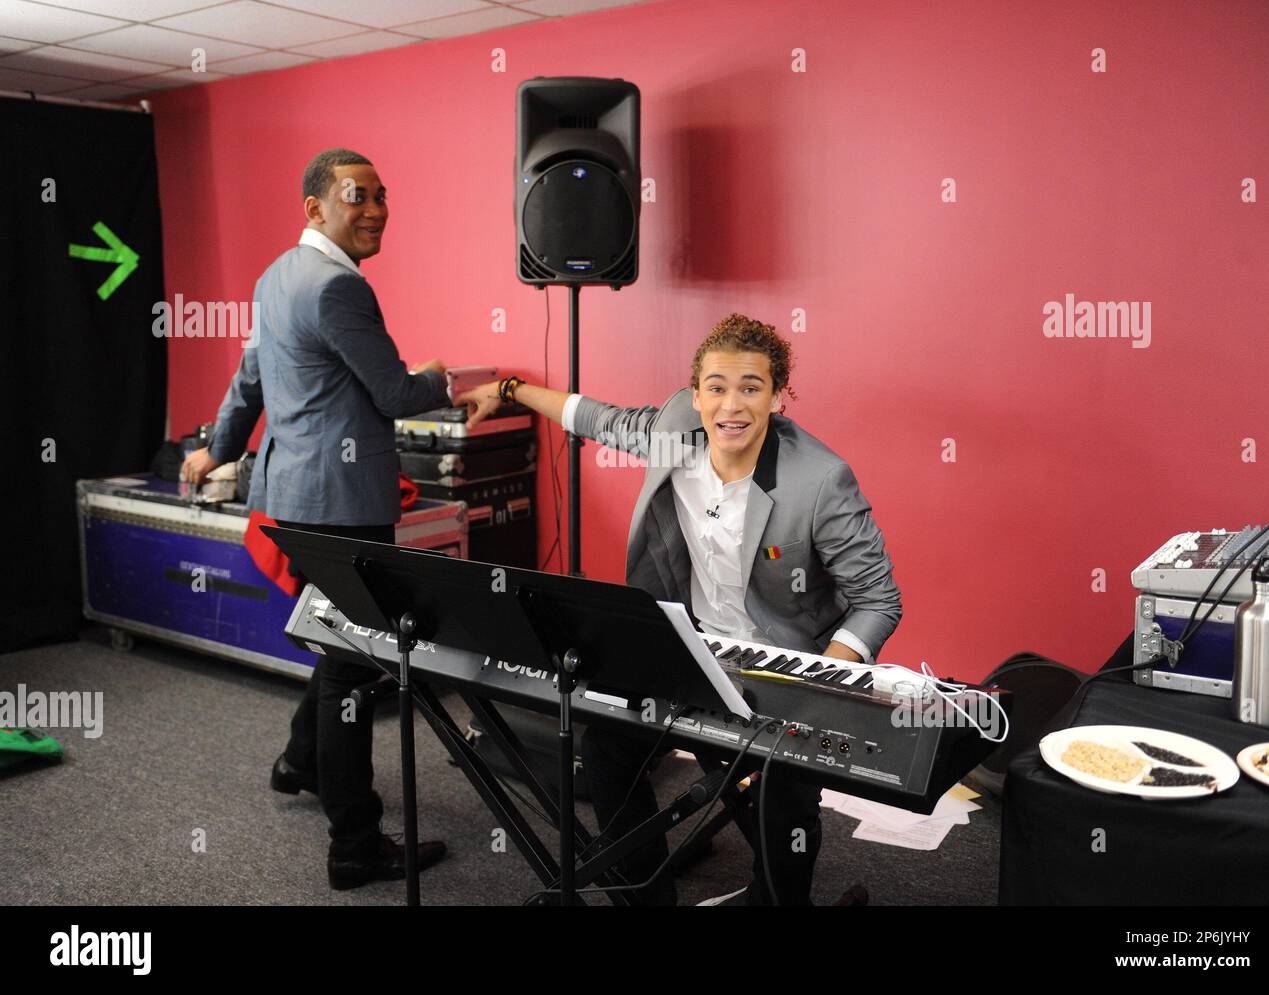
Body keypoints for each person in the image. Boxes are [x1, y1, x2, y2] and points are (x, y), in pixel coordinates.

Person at [457, 313, 902, 904]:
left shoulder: (819, 480)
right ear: (695, 395)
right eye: (716, 387)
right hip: (687, 645)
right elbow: (594, 417)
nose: (732, 406)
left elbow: (878, 600)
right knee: (607, 746)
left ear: (777, 396)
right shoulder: (674, 430)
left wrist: (818, 683)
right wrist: (510, 388)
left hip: (780, 664)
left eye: (751, 387)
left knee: (775, 798)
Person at [182, 148, 452, 890]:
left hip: (292, 502)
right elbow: (396, 392)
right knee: (353, 668)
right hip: (343, 507)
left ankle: (300, 761)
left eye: (381, 196)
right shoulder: (338, 288)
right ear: (315, 208)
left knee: (338, 647)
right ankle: (354, 843)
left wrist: (217, 448)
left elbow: (248, 377)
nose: (375, 209)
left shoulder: (276, 277)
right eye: (356, 196)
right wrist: (449, 380)